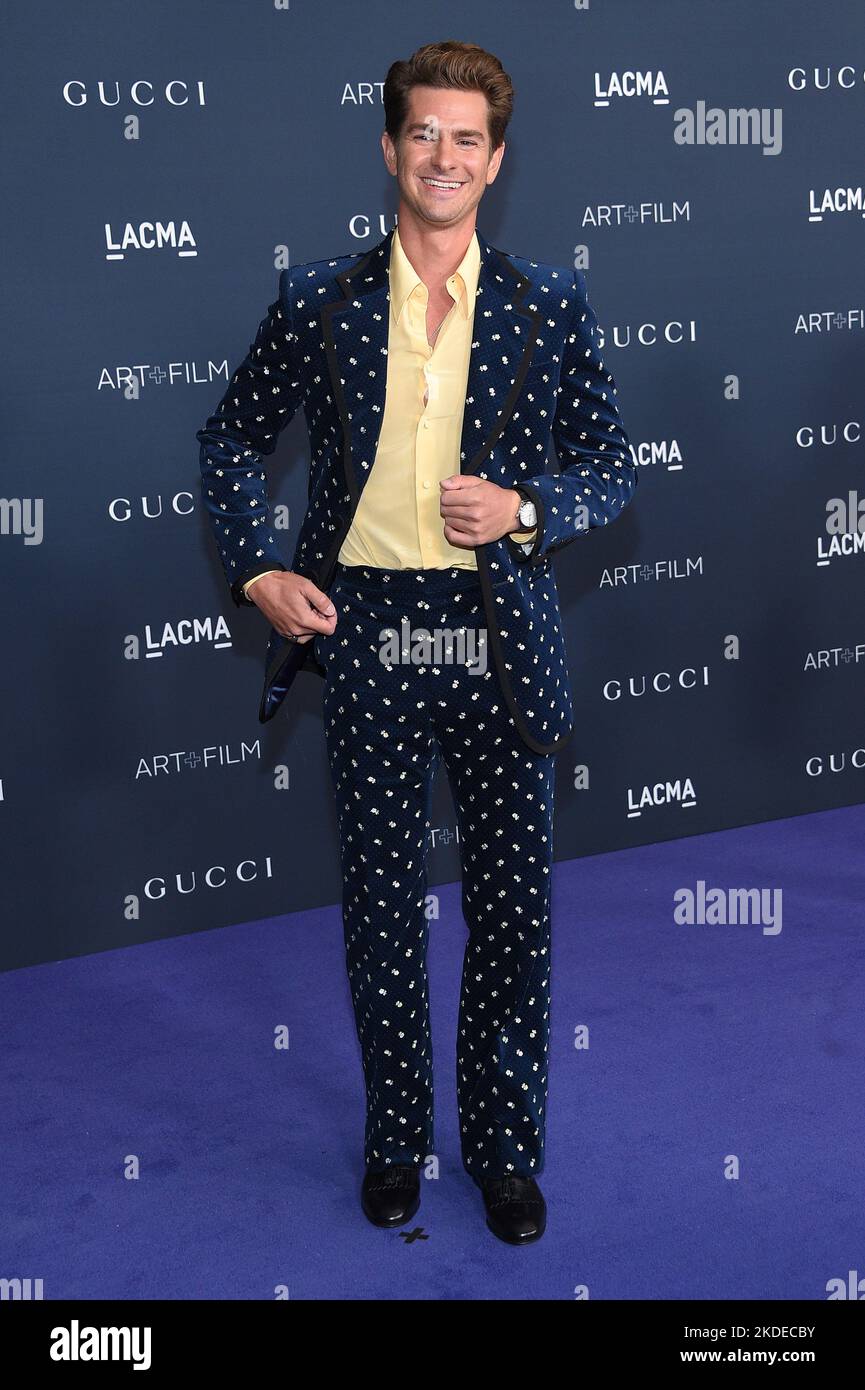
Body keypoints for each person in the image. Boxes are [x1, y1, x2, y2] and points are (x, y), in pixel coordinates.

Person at [196, 39, 638, 1245]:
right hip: (373, 629)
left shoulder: (550, 303)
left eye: (467, 139)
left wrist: (528, 509)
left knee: (510, 910)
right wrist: (256, 566)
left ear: (495, 162)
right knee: (384, 910)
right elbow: (231, 439)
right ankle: (397, 1140)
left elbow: (610, 465)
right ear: (389, 147)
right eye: (423, 133)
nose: (443, 155)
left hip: (500, 633)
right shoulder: (318, 299)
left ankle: (501, 1151)